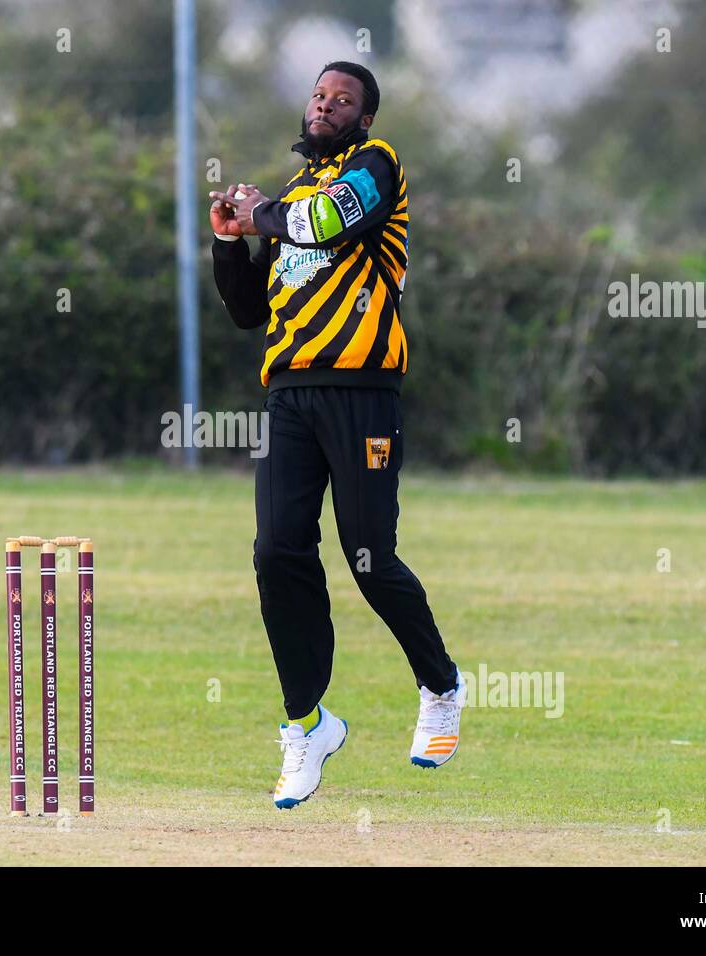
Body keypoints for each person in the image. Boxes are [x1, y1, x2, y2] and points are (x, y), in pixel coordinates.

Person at [209, 62, 464, 809]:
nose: (325, 107)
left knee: (367, 555)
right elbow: (248, 311)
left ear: (365, 118)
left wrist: (260, 215)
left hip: (362, 388)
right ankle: (306, 723)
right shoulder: (288, 197)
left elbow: (328, 223)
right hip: (288, 392)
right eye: (319, 96)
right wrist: (230, 241)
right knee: (277, 550)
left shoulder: (375, 168)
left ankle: (441, 687)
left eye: (342, 100)